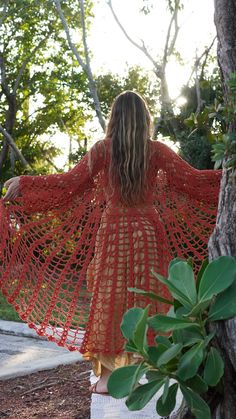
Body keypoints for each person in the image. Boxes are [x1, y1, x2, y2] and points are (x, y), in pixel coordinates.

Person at [1, 91, 221, 394]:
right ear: (145, 119)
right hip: (146, 230)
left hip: (114, 230)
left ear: (114, 118)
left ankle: (106, 377)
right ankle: (153, 364)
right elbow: (195, 182)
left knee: (110, 297)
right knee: (148, 297)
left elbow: (67, 184)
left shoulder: (102, 151)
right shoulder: (156, 151)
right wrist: (229, 176)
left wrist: (25, 184)